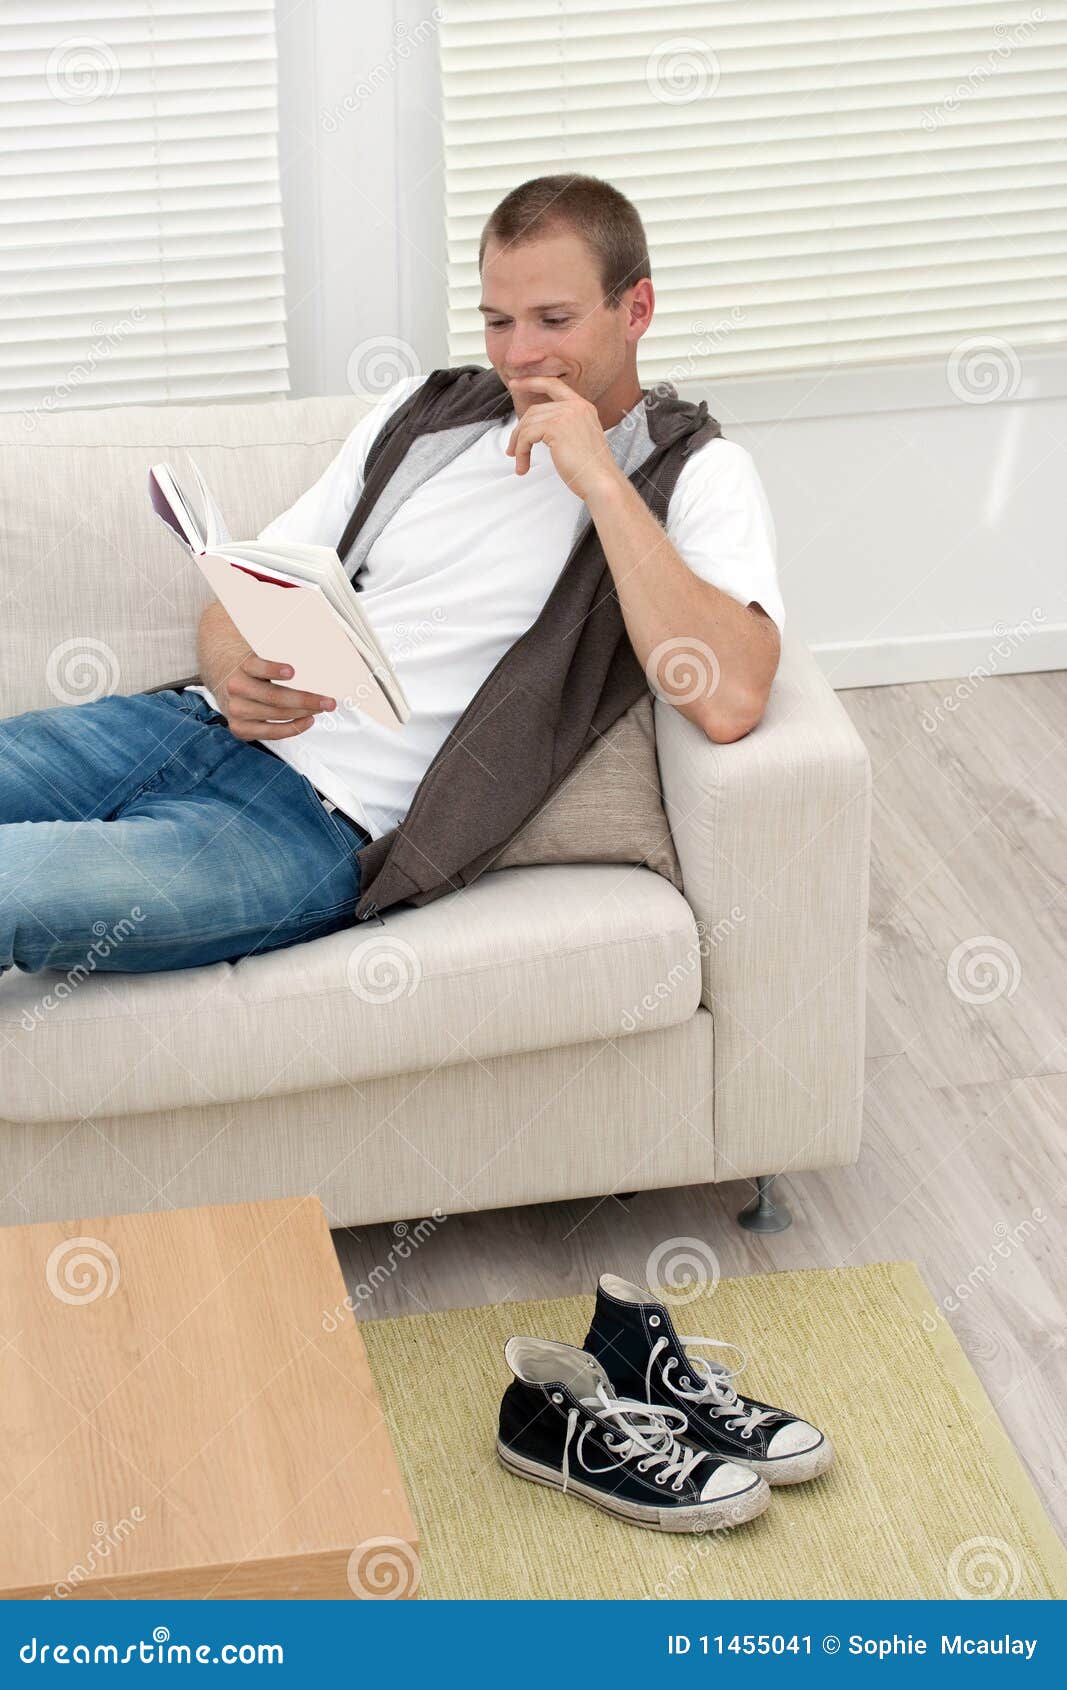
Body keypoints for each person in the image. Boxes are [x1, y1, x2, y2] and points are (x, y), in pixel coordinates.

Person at [0, 173, 783, 979]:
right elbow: (243, 591)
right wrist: (234, 670)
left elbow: (727, 699)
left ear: (636, 310)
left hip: (309, 827)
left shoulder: (695, 472)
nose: (519, 354)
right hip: (186, 729)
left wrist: (601, 480)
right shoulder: (427, 413)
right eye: (497, 321)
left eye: (554, 320)